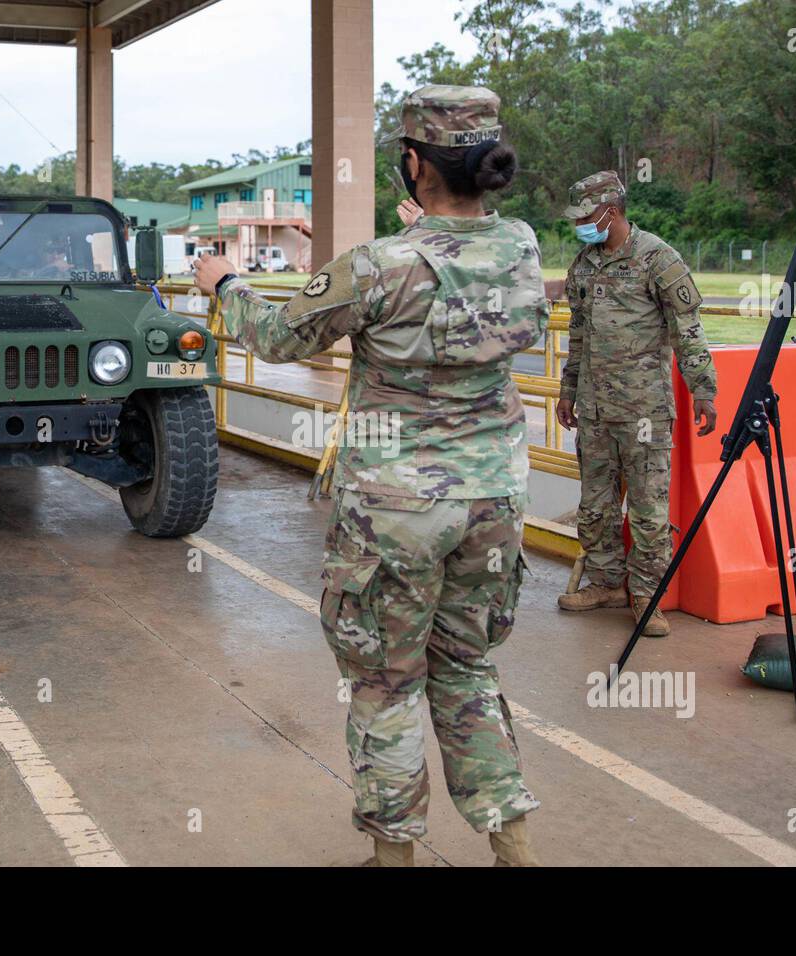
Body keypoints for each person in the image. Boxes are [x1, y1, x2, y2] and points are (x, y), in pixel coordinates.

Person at [194, 85, 547, 867]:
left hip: (397, 513)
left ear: (415, 165)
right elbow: (464, 259)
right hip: (493, 502)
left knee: (387, 683)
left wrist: (223, 283)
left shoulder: (379, 265)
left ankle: (394, 857)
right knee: (467, 669)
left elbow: (280, 337)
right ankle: (512, 846)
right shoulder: (520, 244)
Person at [555, 171, 718, 636]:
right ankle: (606, 582)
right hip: (594, 409)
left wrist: (703, 388)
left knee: (647, 508)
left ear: (612, 210)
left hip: (644, 409)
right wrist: (568, 391)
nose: (581, 226)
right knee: (596, 504)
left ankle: (647, 592)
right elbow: (579, 335)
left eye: (587, 217)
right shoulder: (583, 265)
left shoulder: (658, 259)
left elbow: (688, 331)